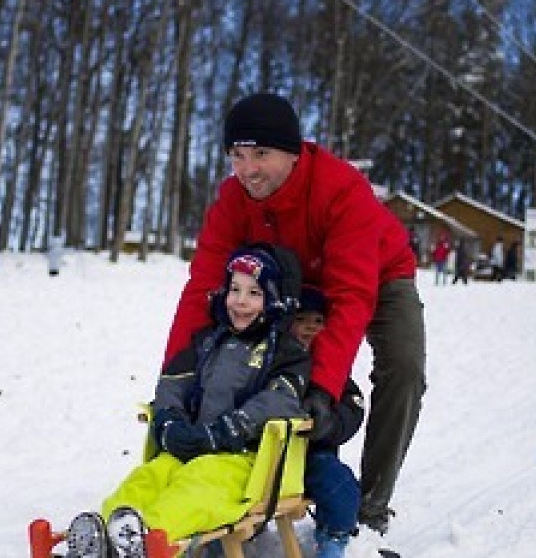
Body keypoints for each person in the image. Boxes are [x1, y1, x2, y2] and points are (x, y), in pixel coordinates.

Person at [162, 92, 425, 536]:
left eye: (261, 154)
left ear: (294, 152)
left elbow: (351, 296)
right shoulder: (232, 200)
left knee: (403, 368)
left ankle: (369, 507)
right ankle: (260, 485)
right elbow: (203, 289)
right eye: (237, 156)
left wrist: (322, 389)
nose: (248, 169)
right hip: (292, 283)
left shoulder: (341, 190)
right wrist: (174, 376)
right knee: (267, 369)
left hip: (378, 275)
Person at [59, 246, 309, 557]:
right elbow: (174, 382)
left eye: (254, 293)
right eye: (234, 289)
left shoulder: (285, 353)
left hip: (244, 460)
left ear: (274, 300)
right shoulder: (208, 341)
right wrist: (170, 420)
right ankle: (106, 532)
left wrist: (228, 429)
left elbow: (280, 400)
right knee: (151, 475)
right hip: (191, 445)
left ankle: (144, 537)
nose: (240, 301)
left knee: (197, 485)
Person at [292, 286, 365, 558]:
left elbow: (353, 406)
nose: (309, 328)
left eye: (318, 322)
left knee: (339, 486)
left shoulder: (331, 371)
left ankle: (334, 535)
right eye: (301, 320)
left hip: (312, 456)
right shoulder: (270, 361)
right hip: (266, 460)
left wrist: (331, 425)